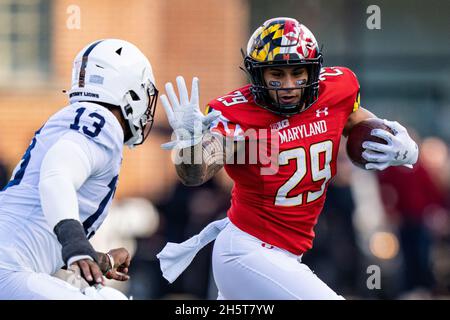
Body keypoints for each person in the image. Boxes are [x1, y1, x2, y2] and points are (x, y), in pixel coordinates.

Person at [157, 17, 418, 299]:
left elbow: (358, 122)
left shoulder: (336, 90)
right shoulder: (236, 114)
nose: (289, 85)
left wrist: (402, 144)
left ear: (313, 71)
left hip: (286, 254)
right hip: (248, 251)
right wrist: (192, 145)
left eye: (298, 73)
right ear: (258, 75)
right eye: (277, 75)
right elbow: (195, 172)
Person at [0, 39, 159, 299]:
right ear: (131, 93)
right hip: (8, 266)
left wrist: (96, 258)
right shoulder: (104, 121)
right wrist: (76, 245)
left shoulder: (75, 118)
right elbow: (56, 175)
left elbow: (37, 227)